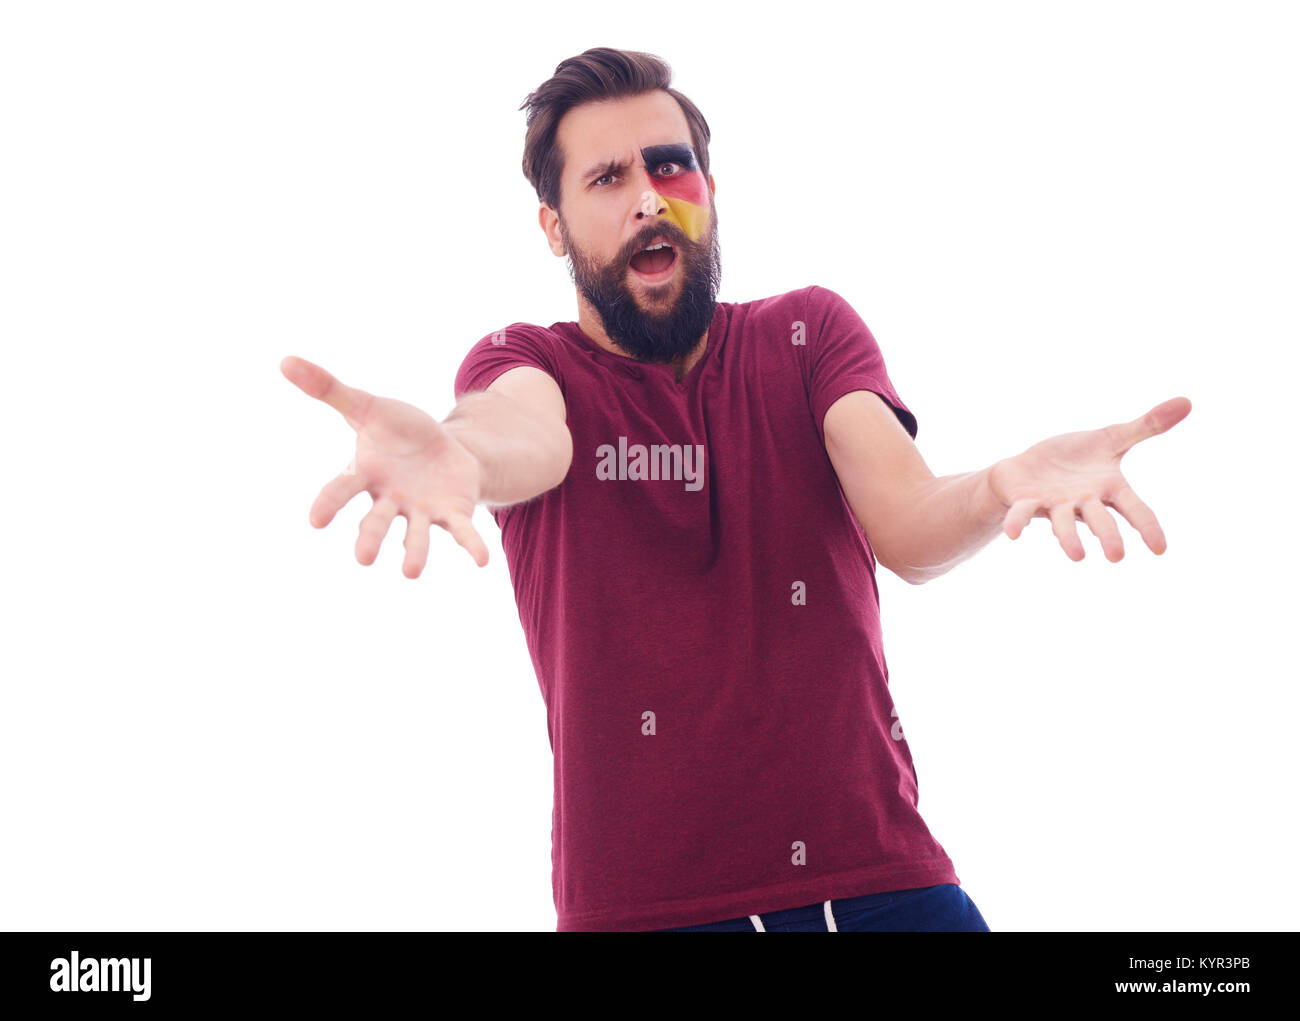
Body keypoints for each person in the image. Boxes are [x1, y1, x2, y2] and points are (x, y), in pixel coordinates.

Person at [281, 47, 1190, 932]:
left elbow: (908, 526)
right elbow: (525, 434)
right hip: (644, 914)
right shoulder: (530, 362)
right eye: (606, 179)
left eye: (671, 168)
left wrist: (1000, 483)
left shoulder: (808, 333)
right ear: (553, 227)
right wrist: (458, 451)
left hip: (882, 884)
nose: (649, 198)